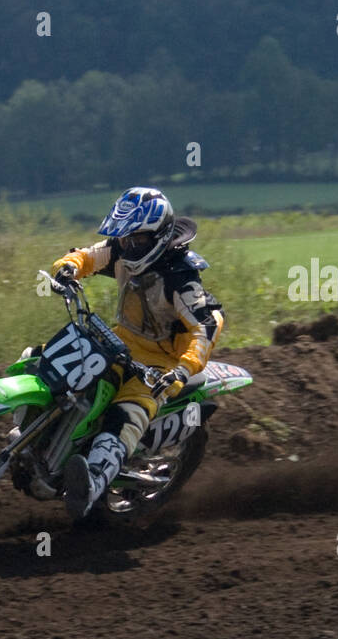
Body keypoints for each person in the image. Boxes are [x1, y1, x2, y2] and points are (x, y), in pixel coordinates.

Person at [47, 186, 224, 519]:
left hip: (159, 365)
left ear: (157, 236)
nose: (127, 246)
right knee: (54, 364)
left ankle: (92, 483)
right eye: (124, 239)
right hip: (118, 341)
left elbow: (205, 327)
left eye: (135, 240)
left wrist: (182, 370)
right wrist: (67, 268)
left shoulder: (181, 278)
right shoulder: (121, 250)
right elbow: (85, 256)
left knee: (125, 415)